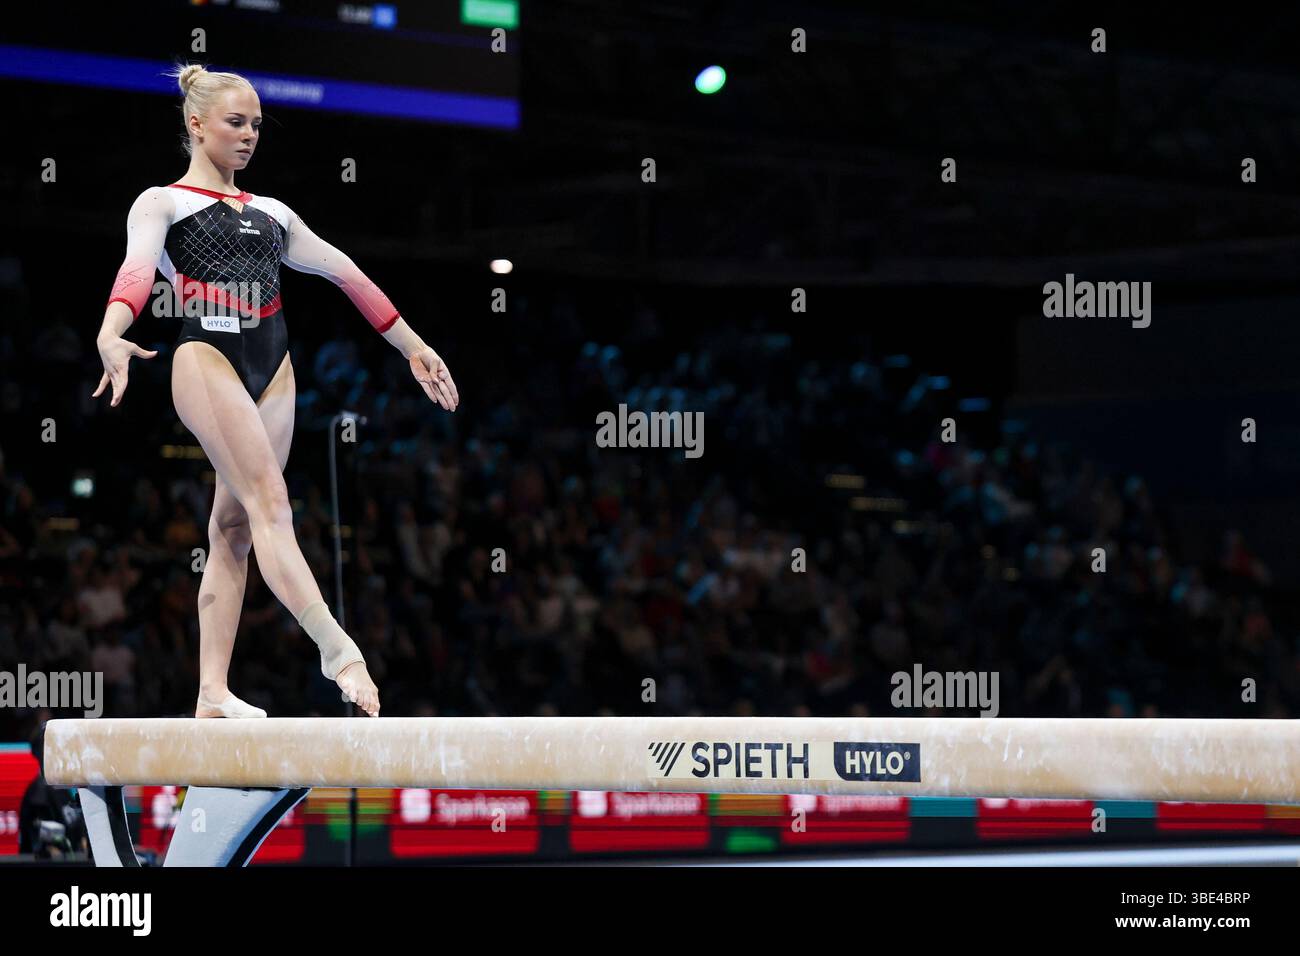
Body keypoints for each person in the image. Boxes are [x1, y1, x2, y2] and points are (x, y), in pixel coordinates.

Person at [93, 64, 459, 719]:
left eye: (257, 124)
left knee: (232, 527)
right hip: (206, 355)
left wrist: (414, 345)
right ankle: (337, 650)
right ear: (196, 123)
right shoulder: (163, 202)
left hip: (274, 364)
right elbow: (138, 269)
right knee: (271, 505)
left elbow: (346, 272)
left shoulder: (274, 214)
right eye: (236, 122)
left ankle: (210, 691)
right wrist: (112, 331)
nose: (250, 134)